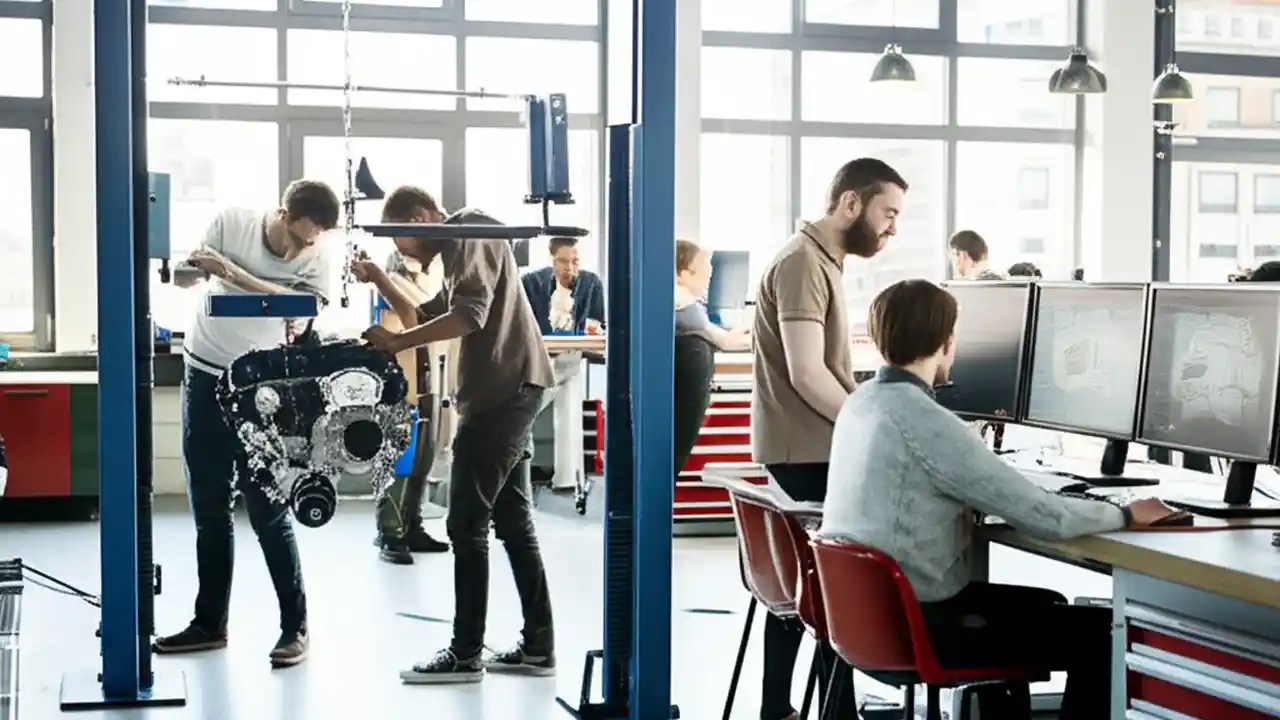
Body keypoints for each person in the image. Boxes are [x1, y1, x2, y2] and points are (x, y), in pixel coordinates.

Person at [821, 278, 1183, 720]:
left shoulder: (860, 405)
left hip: (866, 621)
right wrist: (1124, 514)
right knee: (1098, 634)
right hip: (921, 624)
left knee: (1046, 605)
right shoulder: (927, 421)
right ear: (947, 340)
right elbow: (1045, 516)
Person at [360, 187, 556, 684]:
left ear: (423, 216)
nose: (404, 252)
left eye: (402, 239)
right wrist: (381, 278)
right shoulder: (456, 252)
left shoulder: (469, 229)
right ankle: (538, 647)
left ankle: (465, 653)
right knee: (512, 523)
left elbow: (470, 315)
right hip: (510, 390)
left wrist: (401, 342)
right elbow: (424, 316)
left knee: (466, 525)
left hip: (503, 395)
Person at [153, 179, 340, 668]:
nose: (303, 248)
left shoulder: (318, 255)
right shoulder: (232, 222)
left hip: (263, 392)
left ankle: (294, 628)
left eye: (314, 239)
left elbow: (303, 308)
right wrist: (196, 268)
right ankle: (209, 623)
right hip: (204, 377)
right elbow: (186, 277)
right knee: (209, 510)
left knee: (269, 510)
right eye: (298, 237)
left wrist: (231, 272)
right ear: (282, 213)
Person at [752, 157, 909, 720]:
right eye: (888, 212)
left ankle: (788, 708)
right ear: (850, 204)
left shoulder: (819, 261)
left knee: (803, 592)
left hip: (809, 448)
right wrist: (872, 426)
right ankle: (834, 712)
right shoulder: (802, 264)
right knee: (837, 587)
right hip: (812, 452)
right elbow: (806, 372)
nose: (893, 227)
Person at [351, 189, 453, 564]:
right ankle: (389, 531)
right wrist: (379, 276)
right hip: (403, 384)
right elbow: (411, 317)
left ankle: (411, 524)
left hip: (434, 378)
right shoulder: (394, 279)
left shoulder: (441, 267)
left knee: (425, 456)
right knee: (399, 457)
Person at [673, 239, 751, 477]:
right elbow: (724, 340)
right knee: (676, 451)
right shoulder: (681, 299)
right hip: (688, 384)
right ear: (681, 273)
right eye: (703, 275)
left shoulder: (679, 298)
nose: (707, 282)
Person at [521, 236, 606, 334]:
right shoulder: (531, 284)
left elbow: (598, 325)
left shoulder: (591, 284)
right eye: (563, 261)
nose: (569, 268)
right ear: (552, 261)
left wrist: (595, 330)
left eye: (575, 262)